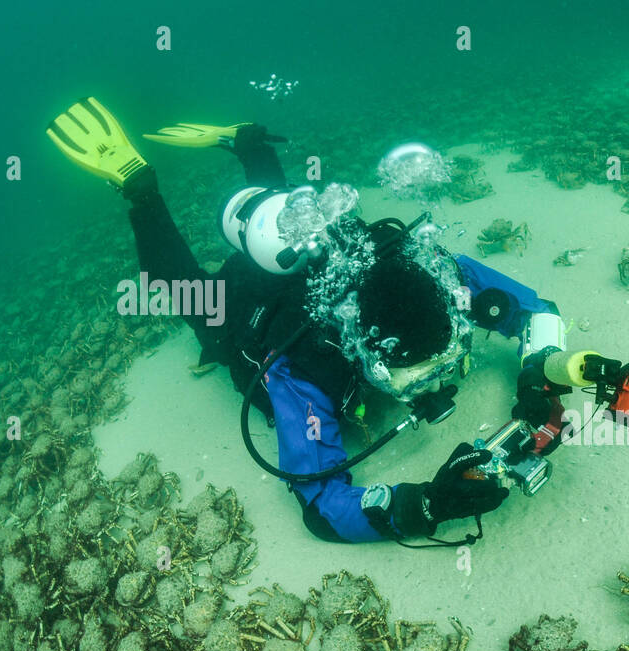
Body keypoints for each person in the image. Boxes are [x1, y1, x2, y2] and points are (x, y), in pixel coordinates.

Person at [47, 97, 562, 544]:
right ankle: (140, 186)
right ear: (362, 349)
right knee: (185, 290)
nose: (440, 382)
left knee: (309, 230)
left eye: (449, 357)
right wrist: (428, 504)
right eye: (419, 374)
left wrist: (541, 375)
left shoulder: (435, 274)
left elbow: (538, 312)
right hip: (249, 301)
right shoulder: (304, 369)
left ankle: (249, 144)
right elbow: (322, 507)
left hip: (304, 253)